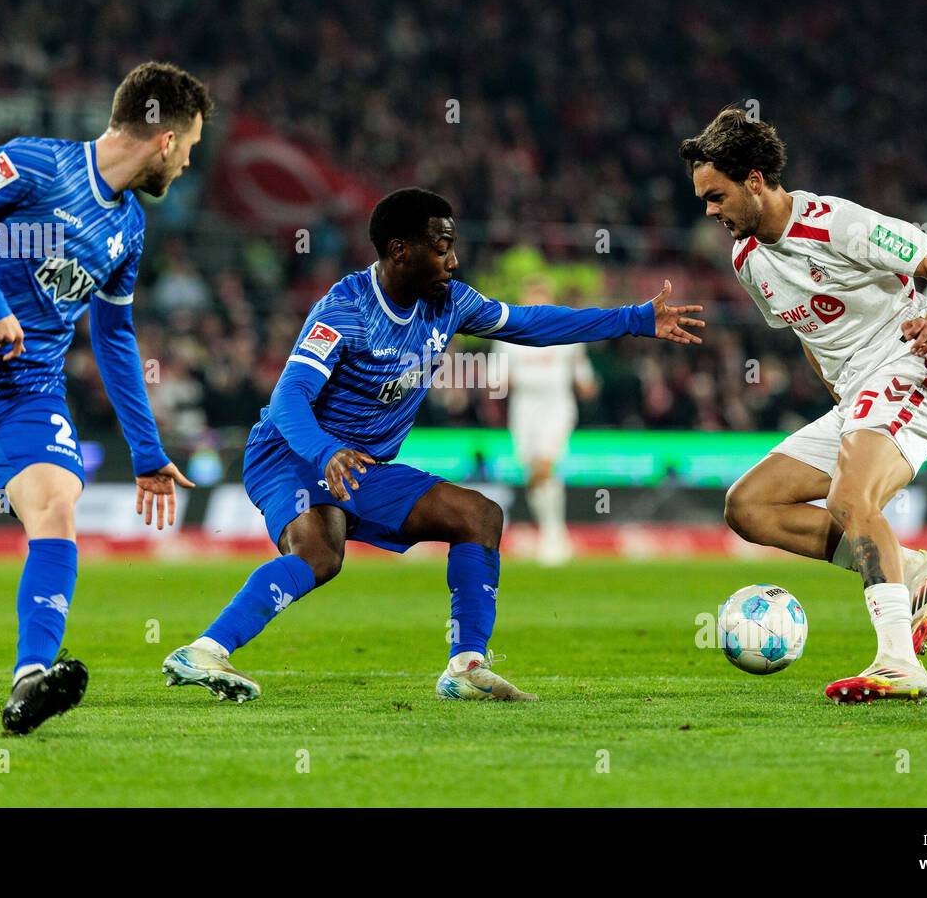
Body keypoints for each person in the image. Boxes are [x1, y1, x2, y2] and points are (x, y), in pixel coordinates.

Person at [162, 187, 705, 702]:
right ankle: (204, 651)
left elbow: (531, 322)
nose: (452, 261)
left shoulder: (451, 303)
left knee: (478, 517)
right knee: (320, 554)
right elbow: (288, 400)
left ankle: (466, 667)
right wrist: (325, 451)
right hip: (294, 451)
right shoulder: (344, 310)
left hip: (363, 465)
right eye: (442, 248)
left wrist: (635, 318)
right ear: (400, 250)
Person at [0, 61, 207, 734]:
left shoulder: (128, 228)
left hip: (28, 390)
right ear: (165, 140)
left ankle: (31, 676)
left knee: (55, 508)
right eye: (191, 148)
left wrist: (148, 449)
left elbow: (115, 336)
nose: (185, 168)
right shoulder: (35, 164)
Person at [679, 107, 927, 703]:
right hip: (857, 394)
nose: (709, 211)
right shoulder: (747, 261)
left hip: (908, 365)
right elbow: (808, 337)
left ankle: (898, 662)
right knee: (749, 506)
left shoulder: (837, 222)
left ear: (754, 180)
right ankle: (909, 569)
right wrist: (843, 402)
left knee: (849, 498)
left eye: (716, 195)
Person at [493, 276, 598, 566]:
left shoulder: (567, 335)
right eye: (531, 299)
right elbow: (496, 381)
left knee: (544, 465)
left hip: (557, 405)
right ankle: (552, 535)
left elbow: (584, 381)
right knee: (536, 473)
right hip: (524, 409)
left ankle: (553, 536)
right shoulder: (507, 338)